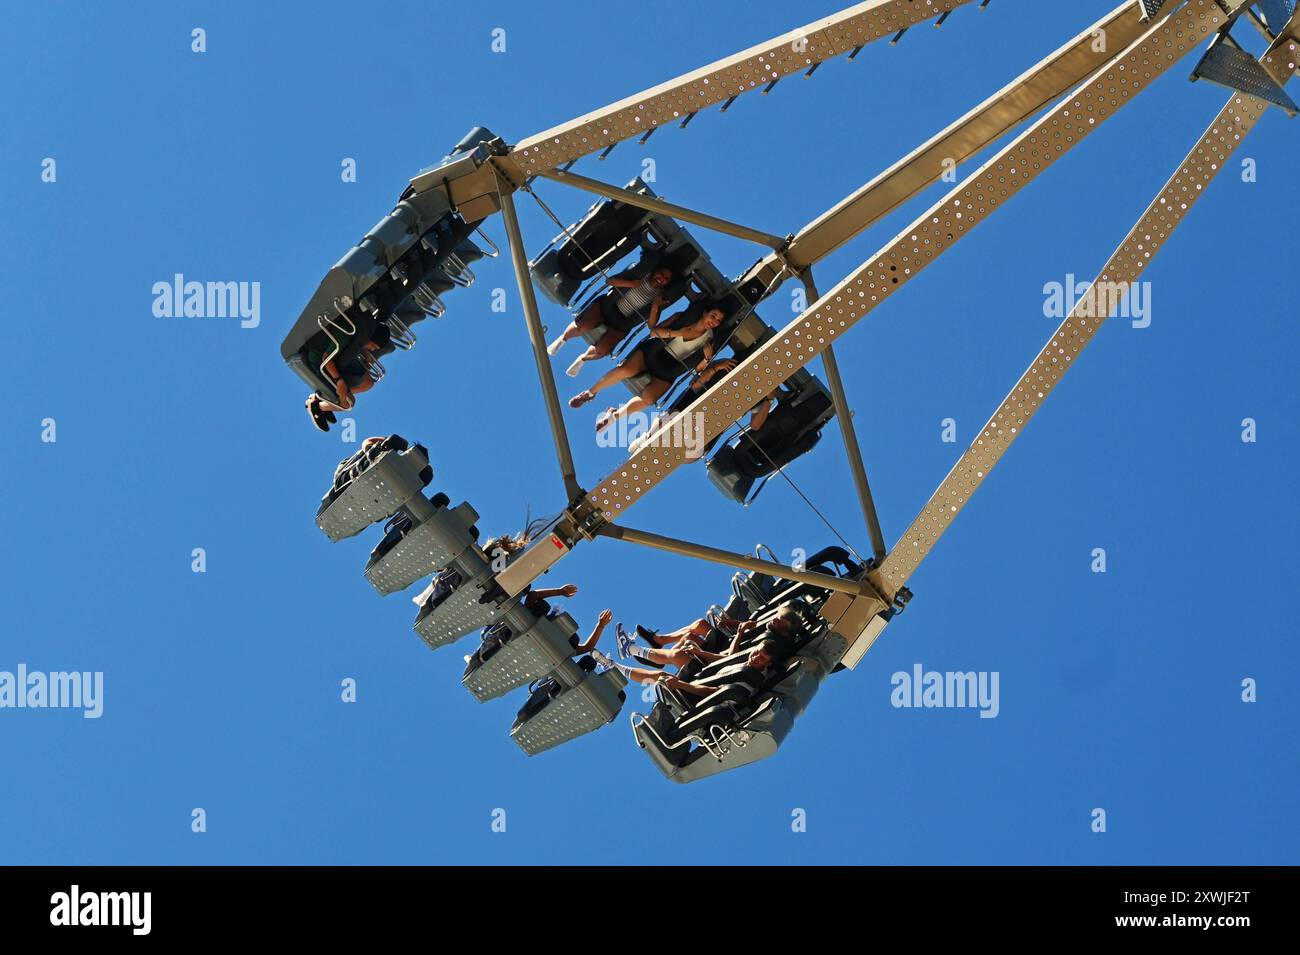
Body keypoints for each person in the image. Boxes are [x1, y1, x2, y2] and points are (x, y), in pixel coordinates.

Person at [569, 306, 725, 433]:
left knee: (649, 400)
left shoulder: (709, 338)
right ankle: (589, 393)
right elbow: (654, 332)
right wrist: (679, 332)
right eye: (713, 315)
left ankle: (614, 416)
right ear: (705, 312)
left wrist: (707, 358)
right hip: (653, 353)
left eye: (718, 321)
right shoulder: (681, 317)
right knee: (625, 371)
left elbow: (697, 369)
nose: (714, 321)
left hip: (669, 368)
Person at [547, 267, 675, 378]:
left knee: (602, 351)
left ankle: (583, 358)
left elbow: (651, 325)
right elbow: (610, 281)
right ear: (655, 271)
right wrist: (631, 284)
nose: (662, 278)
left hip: (622, 322)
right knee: (582, 327)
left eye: (666, 279)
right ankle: (563, 339)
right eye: (661, 273)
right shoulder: (642, 275)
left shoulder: (659, 295)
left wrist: (655, 307)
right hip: (608, 307)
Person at [593, 638, 787, 699]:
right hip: (709, 674)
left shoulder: (750, 681)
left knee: (662, 676)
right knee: (682, 653)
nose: (754, 657)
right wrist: (699, 653)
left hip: (696, 693)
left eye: (761, 658)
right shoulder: (752, 662)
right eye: (755, 652)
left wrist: (681, 685)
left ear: (768, 664)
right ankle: (632, 649)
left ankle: (613, 668)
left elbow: (716, 693)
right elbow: (728, 660)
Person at [305, 322, 393, 431]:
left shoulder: (360, 330)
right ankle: (316, 406)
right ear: (369, 337)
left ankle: (326, 398)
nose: (373, 349)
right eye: (373, 346)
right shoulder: (346, 334)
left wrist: (365, 352)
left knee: (368, 383)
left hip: (338, 359)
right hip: (321, 362)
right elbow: (327, 359)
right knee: (348, 403)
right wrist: (339, 380)